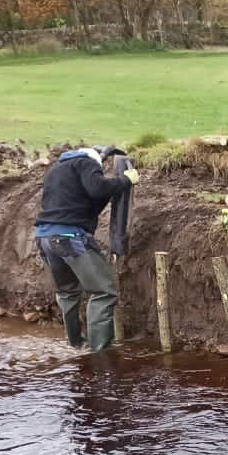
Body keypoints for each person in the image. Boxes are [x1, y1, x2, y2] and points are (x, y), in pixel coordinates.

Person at [32, 147, 138, 353]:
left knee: (67, 292)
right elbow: (97, 188)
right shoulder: (86, 162)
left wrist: (114, 188)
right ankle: (100, 352)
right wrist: (126, 180)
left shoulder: (56, 169)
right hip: (70, 239)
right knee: (103, 292)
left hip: (45, 239)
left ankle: (76, 346)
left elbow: (90, 201)